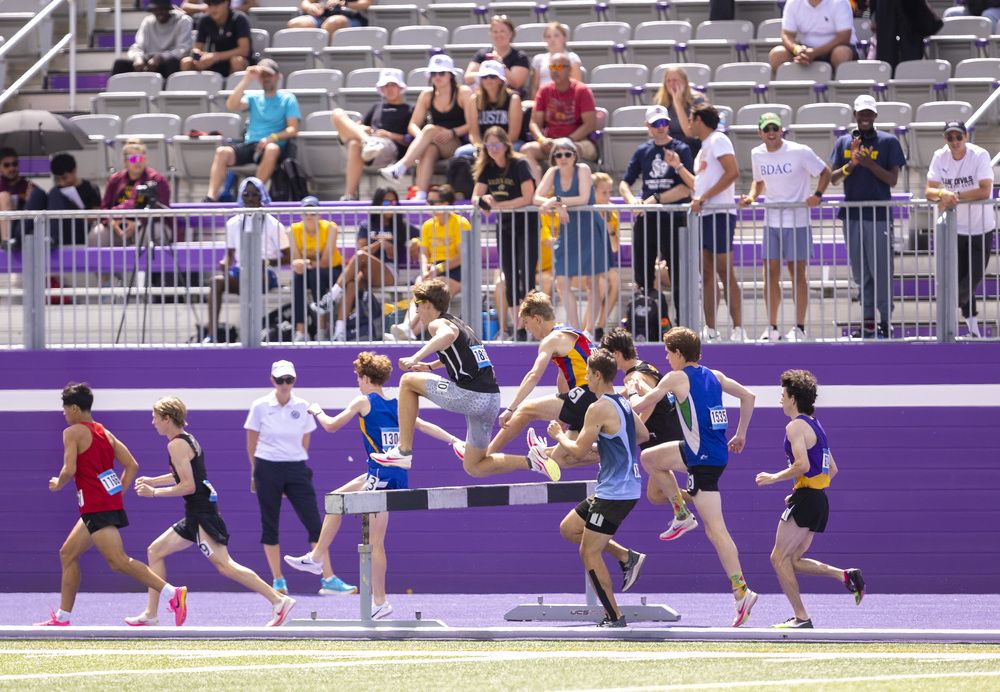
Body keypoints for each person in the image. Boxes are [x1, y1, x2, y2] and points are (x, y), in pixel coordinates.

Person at [284, 352, 460, 618]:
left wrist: (316, 410)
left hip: (382, 475)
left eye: (358, 377)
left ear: (366, 377)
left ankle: (380, 602)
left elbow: (331, 426)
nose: (357, 381)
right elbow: (422, 425)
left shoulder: (364, 401)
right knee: (336, 499)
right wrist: (454, 440)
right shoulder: (398, 401)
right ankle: (318, 557)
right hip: (386, 473)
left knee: (376, 542)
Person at [128, 396, 296, 627]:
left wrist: (154, 493)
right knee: (155, 551)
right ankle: (151, 614)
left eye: (155, 418)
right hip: (194, 513)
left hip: (201, 514)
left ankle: (278, 600)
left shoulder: (176, 444)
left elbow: (188, 485)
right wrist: (154, 481)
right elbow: (187, 475)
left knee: (225, 566)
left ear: (167, 418)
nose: (153, 422)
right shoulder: (187, 439)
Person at [632, 327, 759, 627]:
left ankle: (742, 591)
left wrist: (614, 403)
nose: (665, 357)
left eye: (667, 352)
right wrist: (741, 434)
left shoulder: (676, 377)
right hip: (701, 452)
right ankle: (681, 513)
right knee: (650, 457)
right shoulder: (714, 375)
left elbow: (644, 403)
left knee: (716, 531)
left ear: (678, 353)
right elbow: (749, 396)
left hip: (703, 460)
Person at [371, 279, 560, 480]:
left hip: (471, 396)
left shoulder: (438, 324)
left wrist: (415, 358)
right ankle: (533, 461)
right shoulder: (458, 322)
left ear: (427, 304)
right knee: (475, 466)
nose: (416, 312)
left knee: (408, 381)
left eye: (417, 306)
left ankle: (403, 451)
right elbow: (457, 353)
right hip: (491, 399)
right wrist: (429, 366)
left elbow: (447, 336)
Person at [36, 383, 188, 627]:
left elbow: (69, 469)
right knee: (67, 553)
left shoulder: (72, 432)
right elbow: (132, 465)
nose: (64, 415)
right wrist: (116, 493)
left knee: (118, 561)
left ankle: (172, 593)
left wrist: (58, 483)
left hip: (96, 506)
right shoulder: (104, 432)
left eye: (65, 410)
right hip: (99, 505)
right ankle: (63, 617)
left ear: (74, 408)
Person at [543, 349, 649, 627]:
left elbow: (576, 451)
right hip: (615, 488)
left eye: (589, 374)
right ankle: (627, 556)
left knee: (588, 552)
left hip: (617, 493)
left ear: (598, 375)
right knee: (569, 529)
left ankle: (614, 616)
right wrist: (609, 445)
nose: (586, 379)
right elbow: (642, 434)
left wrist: (557, 436)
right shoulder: (623, 403)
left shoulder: (598, 407)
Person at [755, 369, 865, 628]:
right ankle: (845, 576)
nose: (780, 399)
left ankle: (801, 617)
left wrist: (772, 478)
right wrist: (803, 489)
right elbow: (832, 469)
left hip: (808, 499)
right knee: (792, 561)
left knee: (778, 559)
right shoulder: (816, 425)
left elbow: (802, 464)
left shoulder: (794, 426)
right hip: (818, 500)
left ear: (793, 397)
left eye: (782, 394)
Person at [246, 360, 355, 595]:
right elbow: (251, 441)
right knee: (270, 524)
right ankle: (278, 581)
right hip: (267, 467)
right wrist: (255, 471)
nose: (285, 385)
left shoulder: (303, 405)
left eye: (289, 380)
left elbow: (305, 439)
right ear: (272, 380)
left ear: (294, 381)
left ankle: (328, 579)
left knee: (315, 522)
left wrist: (295, 459)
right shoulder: (260, 406)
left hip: (296, 468)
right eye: (280, 380)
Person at [740, 112, 831, 342]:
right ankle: (771, 327)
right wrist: (751, 196)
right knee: (769, 273)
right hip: (772, 221)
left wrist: (817, 195)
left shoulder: (799, 151)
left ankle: (799, 327)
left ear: (782, 130)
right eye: (767, 129)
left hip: (798, 221)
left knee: (797, 272)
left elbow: (825, 172)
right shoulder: (757, 153)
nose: (771, 133)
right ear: (759, 132)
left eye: (775, 128)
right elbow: (759, 181)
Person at [485, 291, 595, 475]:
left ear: (537, 319)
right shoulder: (569, 332)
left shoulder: (551, 340)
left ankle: (487, 453)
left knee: (526, 409)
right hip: (592, 396)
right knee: (562, 459)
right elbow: (563, 378)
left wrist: (511, 408)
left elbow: (533, 375)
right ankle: (610, 452)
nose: (525, 328)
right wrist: (564, 418)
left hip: (587, 395)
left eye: (526, 322)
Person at [829, 95, 906, 339]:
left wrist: (868, 164)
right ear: (855, 114)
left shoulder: (888, 141)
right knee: (861, 272)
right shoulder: (843, 141)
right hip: (852, 215)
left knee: (881, 270)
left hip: (879, 215)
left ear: (875, 116)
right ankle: (869, 322)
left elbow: (893, 180)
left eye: (868, 113)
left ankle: (885, 321)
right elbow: (833, 177)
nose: (864, 117)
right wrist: (851, 165)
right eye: (861, 113)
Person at [665, 105, 744, 342]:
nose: (687, 124)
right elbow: (697, 187)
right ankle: (711, 329)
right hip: (705, 215)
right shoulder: (703, 149)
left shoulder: (719, 139)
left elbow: (733, 172)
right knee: (707, 273)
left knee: (724, 271)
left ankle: (739, 328)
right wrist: (678, 166)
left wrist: (705, 198)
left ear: (698, 119)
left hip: (719, 214)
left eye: (690, 119)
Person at [619, 105, 694, 323]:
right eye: (656, 124)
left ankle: (683, 325)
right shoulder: (643, 151)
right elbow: (625, 182)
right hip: (647, 220)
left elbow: (687, 188)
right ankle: (648, 324)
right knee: (642, 276)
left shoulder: (681, 148)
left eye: (664, 123)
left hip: (674, 219)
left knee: (679, 275)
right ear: (648, 126)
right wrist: (633, 200)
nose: (661, 128)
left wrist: (656, 199)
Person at [925, 120, 996, 339]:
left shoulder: (979, 155)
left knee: (971, 279)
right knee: (958, 279)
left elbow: (985, 190)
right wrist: (941, 195)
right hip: (955, 229)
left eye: (958, 137)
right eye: (950, 138)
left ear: (966, 136)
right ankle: (973, 330)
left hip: (980, 227)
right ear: (945, 139)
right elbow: (929, 190)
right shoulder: (940, 156)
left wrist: (952, 196)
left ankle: (961, 313)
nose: (954, 142)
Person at [323, 187, 419, 341]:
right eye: (387, 202)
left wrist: (415, 242)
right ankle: (339, 332)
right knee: (352, 283)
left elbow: (422, 237)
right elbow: (361, 250)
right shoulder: (367, 225)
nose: (391, 205)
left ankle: (331, 297)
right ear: (378, 203)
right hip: (367, 270)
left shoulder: (402, 225)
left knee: (360, 258)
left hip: (388, 272)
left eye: (394, 202)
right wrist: (380, 244)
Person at [534, 138, 607, 331]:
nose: (563, 158)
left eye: (568, 153)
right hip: (568, 229)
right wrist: (559, 205)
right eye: (558, 154)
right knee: (562, 282)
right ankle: (576, 331)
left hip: (589, 226)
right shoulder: (552, 172)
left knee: (593, 283)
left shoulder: (583, 169)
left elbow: (583, 198)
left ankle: (588, 331)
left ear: (575, 155)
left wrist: (556, 201)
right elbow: (536, 197)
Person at [472, 126, 538, 337]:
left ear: (505, 145)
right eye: (489, 145)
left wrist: (500, 205)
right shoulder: (487, 167)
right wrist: (485, 200)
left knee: (526, 275)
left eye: (497, 145)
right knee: (508, 275)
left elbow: (528, 197)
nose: (493, 149)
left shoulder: (519, 164)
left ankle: (530, 323)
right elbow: (475, 197)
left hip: (526, 224)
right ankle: (518, 326)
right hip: (505, 225)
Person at [204, 177, 288, 342]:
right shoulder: (232, 223)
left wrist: (268, 262)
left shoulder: (274, 224)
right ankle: (211, 334)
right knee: (216, 281)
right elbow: (229, 255)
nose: (250, 199)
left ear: (262, 196)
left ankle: (254, 336)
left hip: (265, 273)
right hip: (240, 272)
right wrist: (225, 264)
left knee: (255, 277)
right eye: (246, 195)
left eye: (255, 195)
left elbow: (288, 256)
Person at [378, 54, 472, 200]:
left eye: (441, 73)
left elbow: (472, 123)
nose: (437, 77)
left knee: (429, 130)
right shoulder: (427, 94)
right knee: (429, 148)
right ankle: (421, 194)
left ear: (450, 75)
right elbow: (413, 125)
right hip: (435, 141)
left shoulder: (463, 92)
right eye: (433, 73)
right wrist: (425, 138)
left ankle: (401, 167)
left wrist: (452, 132)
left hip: (456, 143)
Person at [205, 59, 301, 201]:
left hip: (271, 147)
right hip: (251, 145)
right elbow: (231, 105)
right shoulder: (253, 97)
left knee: (272, 149)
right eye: (263, 75)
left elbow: (293, 129)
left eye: (269, 74)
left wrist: (271, 138)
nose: (266, 78)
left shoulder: (287, 98)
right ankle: (211, 198)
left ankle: (254, 195)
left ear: (278, 76)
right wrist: (247, 78)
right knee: (222, 152)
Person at [390, 184, 468, 340]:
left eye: (433, 202)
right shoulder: (427, 225)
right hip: (435, 270)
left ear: (445, 204)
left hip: (457, 270)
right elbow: (424, 253)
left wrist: (437, 269)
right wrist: (425, 269)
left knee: (430, 291)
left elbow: (462, 256)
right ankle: (408, 329)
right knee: (422, 284)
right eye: (428, 201)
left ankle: (409, 329)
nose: (429, 205)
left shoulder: (460, 223)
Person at [600, 326, 684, 463]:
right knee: (657, 477)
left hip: (662, 430)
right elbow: (641, 391)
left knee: (653, 466)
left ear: (616, 354)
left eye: (607, 356)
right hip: (673, 424)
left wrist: (638, 426)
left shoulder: (633, 377)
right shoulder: (643, 366)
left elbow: (652, 398)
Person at [331, 68, 412, 202]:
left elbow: (411, 140)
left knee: (354, 144)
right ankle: (349, 196)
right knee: (337, 113)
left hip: (389, 147)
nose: (389, 89)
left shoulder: (410, 109)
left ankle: (349, 194)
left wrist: (391, 135)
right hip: (369, 142)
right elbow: (359, 124)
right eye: (386, 85)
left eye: (393, 85)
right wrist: (364, 129)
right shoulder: (376, 107)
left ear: (400, 87)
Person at [521, 53, 598, 180]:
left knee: (566, 153)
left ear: (570, 70)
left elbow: (590, 124)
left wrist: (567, 141)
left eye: (560, 67)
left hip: (579, 142)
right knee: (527, 149)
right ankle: (539, 191)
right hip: (550, 143)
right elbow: (534, 122)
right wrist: (542, 140)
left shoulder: (582, 90)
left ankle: (570, 192)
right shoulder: (544, 91)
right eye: (552, 67)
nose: (555, 71)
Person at [89, 139, 172, 249]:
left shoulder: (156, 179)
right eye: (133, 158)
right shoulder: (115, 180)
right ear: (125, 162)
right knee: (97, 234)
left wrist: (137, 223)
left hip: (147, 224)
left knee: (150, 234)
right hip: (118, 225)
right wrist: (113, 224)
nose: (138, 162)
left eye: (141, 158)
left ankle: (143, 266)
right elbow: (105, 207)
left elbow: (160, 209)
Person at [289, 196, 342, 342]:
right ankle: (300, 331)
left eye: (313, 213)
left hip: (333, 271)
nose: (309, 216)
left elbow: (325, 262)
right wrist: (300, 265)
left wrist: (303, 263)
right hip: (310, 270)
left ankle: (322, 328)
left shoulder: (331, 227)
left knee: (314, 275)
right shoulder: (293, 230)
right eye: (306, 213)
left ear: (320, 214)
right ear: (301, 215)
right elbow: (296, 258)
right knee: (297, 278)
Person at [27, 153, 102, 246]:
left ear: (74, 171)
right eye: (58, 179)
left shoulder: (91, 188)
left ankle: (53, 237)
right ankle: (27, 237)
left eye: (64, 178)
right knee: (42, 193)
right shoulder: (57, 190)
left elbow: (95, 215)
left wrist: (75, 209)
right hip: (60, 227)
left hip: (80, 228)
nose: (62, 183)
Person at [455, 60, 524, 160]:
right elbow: (474, 133)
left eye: (492, 76)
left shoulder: (513, 99)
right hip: (484, 145)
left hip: (508, 143)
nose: (488, 80)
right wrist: (480, 147)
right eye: (484, 77)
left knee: (517, 149)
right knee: (461, 153)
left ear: (501, 80)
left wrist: (496, 148)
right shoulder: (474, 99)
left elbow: (513, 135)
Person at [769, 0, 859, 74]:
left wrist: (814, 53)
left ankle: (840, 92)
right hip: (805, 50)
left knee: (842, 53)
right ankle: (789, 94)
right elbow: (786, 34)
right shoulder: (793, 3)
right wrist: (797, 50)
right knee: (777, 54)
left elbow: (844, 37)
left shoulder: (840, 2)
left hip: (835, 49)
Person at [111, 0, 192, 79]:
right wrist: (138, 58)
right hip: (148, 62)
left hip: (169, 62)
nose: (159, 12)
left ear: (169, 9)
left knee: (172, 63)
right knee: (120, 64)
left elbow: (183, 50)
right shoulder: (148, 21)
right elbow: (137, 46)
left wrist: (161, 57)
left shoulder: (183, 21)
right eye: (156, 10)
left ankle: (170, 91)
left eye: (162, 9)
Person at [181, 0, 251, 78]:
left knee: (237, 61)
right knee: (186, 62)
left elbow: (244, 50)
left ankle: (235, 89)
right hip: (212, 62)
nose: (213, 8)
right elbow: (197, 48)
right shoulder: (204, 20)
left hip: (232, 60)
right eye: (209, 4)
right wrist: (200, 58)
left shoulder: (239, 18)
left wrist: (216, 56)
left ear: (227, 2)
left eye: (216, 3)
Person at [464, 14, 531, 94]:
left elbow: (516, 83)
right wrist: (486, 74)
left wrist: (500, 64)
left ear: (511, 34)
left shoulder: (520, 57)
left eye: (502, 31)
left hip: (509, 98)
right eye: (495, 31)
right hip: (485, 95)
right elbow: (467, 77)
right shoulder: (482, 54)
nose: (498, 35)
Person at [653, 66, 709, 158]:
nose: (671, 84)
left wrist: (678, 103)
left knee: (685, 146)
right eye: (668, 81)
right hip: (670, 144)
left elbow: (690, 133)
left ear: (685, 82)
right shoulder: (662, 103)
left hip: (692, 146)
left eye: (675, 80)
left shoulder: (698, 101)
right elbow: (660, 131)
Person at [591, 172, 619, 342]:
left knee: (614, 279)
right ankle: (587, 329)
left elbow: (615, 248)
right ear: (592, 192)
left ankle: (598, 327)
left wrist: (611, 231)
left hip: (602, 265)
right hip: (582, 266)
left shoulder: (611, 212)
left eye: (610, 192)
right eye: (604, 192)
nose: (608, 197)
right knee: (599, 282)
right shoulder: (584, 212)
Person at [529, 21, 583, 98]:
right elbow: (535, 87)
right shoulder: (538, 59)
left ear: (564, 38)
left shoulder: (572, 58)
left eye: (556, 36)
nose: (552, 40)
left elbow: (577, 85)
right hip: (543, 101)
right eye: (548, 37)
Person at [0, 147, 34, 244]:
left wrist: (30, 199)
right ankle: (6, 242)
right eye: (7, 165)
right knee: (4, 196)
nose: (11, 168)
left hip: (21, 229)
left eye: (14, 164)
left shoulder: (28, 185)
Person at [287, 0, 371, 38]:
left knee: (333, 23)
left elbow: (365, 3)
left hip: (349, 17)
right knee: (296, 23)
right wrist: (311, 7)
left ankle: (324, 60)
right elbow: (306, 2)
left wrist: (343, 3)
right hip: (321, 16)